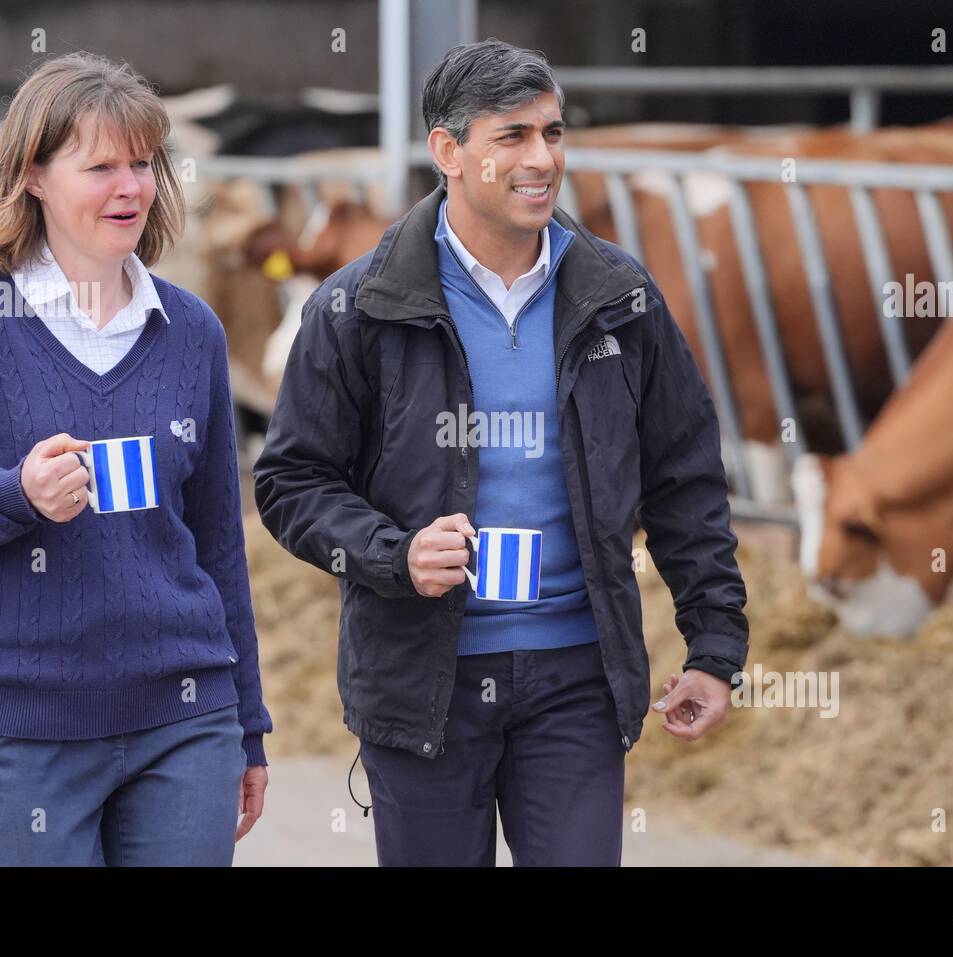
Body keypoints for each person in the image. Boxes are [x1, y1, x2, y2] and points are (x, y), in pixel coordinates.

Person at [253, 39, 749, 867]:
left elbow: (684, 477)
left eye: (552, 134)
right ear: (448, 151)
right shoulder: (357, 308)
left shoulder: (618, 297)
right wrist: (395, 552)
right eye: (511, 137)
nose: (541, 159)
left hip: (576, 678)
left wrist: (715, 647)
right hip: (424, 681)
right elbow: (292, 481)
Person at [0, 52, 272, 866]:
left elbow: (220, 544)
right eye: (102, 166)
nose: (132, 187)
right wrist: (14, 495)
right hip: (27, 736)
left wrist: (248, 724)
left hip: (186, 726)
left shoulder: (191, 332)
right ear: (35, 177)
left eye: (143, 163)